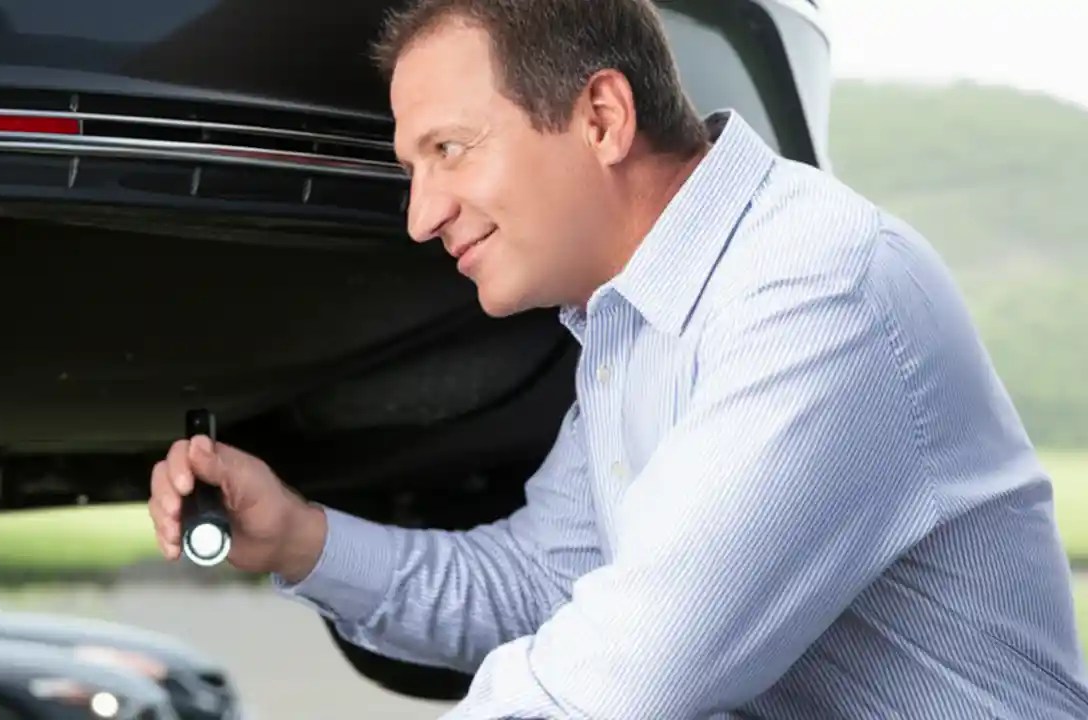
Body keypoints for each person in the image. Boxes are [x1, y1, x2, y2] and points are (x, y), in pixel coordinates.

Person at [148, 0, 1088, 717]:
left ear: (601, 116)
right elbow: (543, 589)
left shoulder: (814, 292)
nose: (421, 216)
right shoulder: (625, 328)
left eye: (451, 150)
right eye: (412, 170)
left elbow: (621, 677)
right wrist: (300, 538)